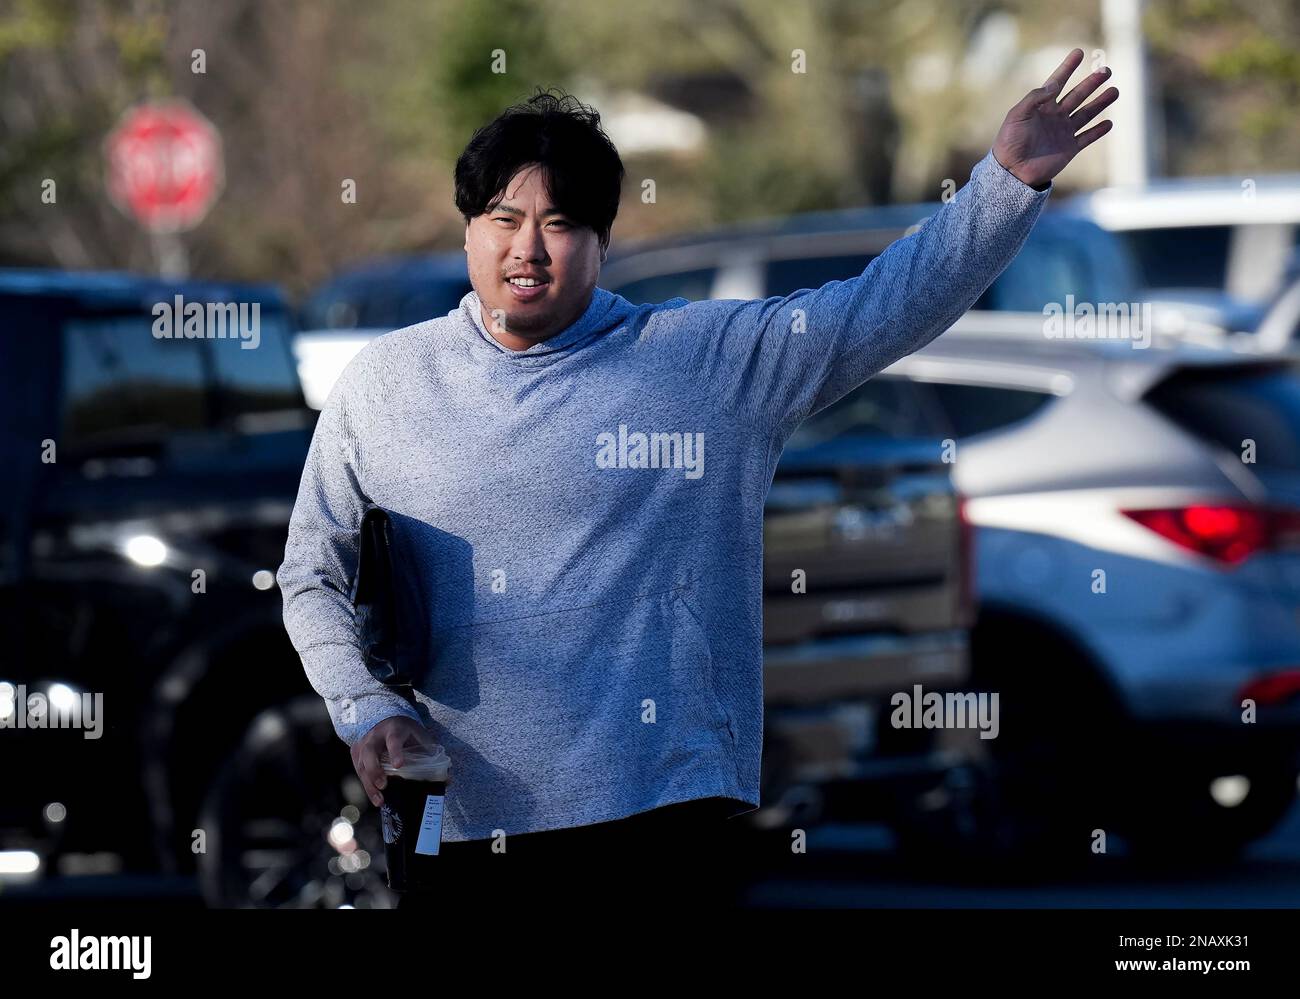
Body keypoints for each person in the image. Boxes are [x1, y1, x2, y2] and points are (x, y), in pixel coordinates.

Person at [275, 48, 1118, 908]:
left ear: (603, 240)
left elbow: (882, 306)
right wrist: (365, 707)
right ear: (468, 229)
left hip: (662, 817)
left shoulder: (700, 364)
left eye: (560, 222)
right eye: (501, 217)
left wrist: (1004, 184)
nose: (527, 247)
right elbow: (312, 573)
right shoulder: (385, 384)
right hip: (453, 817)